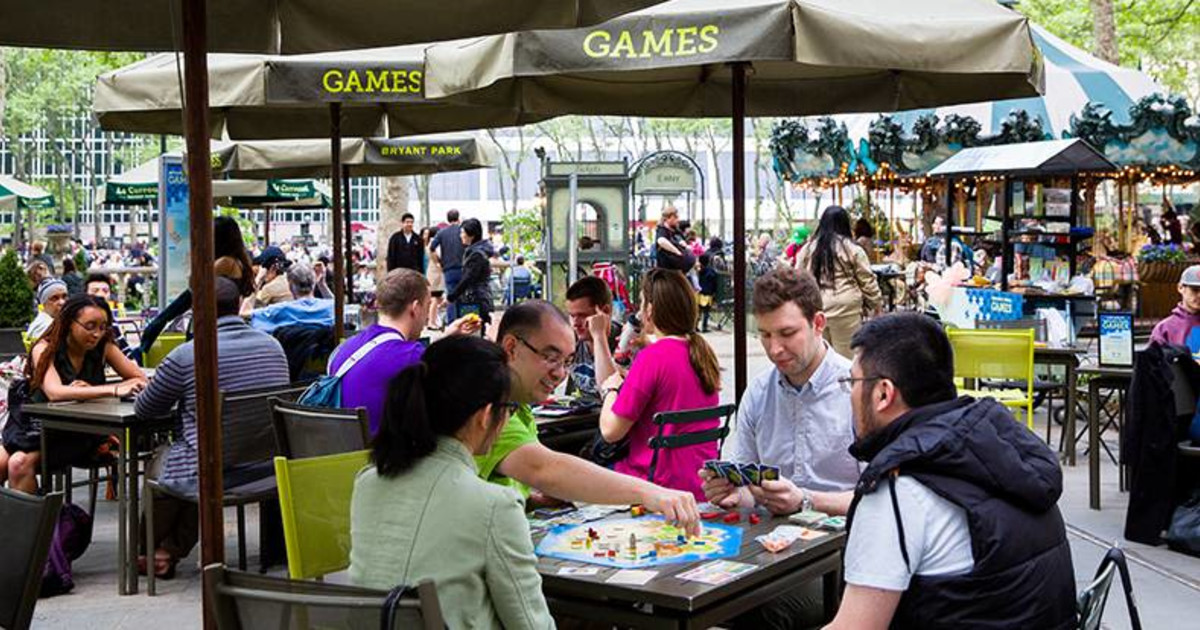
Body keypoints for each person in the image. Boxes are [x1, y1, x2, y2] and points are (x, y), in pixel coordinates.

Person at [825, 313, 1076, 629]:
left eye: (852, 382)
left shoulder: (898, 490)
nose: (849, 394)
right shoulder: (1004, 455)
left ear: (883, 393)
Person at [349, 335, 552, 629]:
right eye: (509, 409)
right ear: (485, 415)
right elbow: (532, 625)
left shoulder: (368, 483)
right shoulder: (495, 506)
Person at [477, 300, 702, 533]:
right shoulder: (488, 406)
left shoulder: (517, 402)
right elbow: (544, 469)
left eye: (567, 362)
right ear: (511, 348)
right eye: (551, 358)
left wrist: (531, 500)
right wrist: (650, 492)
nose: (561, 374)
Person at [134, 277, 290, 578]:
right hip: (263, 467)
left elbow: (145, 409)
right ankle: (167, 551)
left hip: (213, 467)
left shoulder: (187, 355)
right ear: (237, 306)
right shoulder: (274, 347)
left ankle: (145, 550)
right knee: (199, 452)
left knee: (166, 465)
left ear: (198, 311)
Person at [702, 267, 859, 511]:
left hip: (844, 542)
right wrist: (732, 494)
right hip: (773, 541)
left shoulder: (857, 390)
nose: (774, 349)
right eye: (765, 335)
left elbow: (881, 499)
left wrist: (805, 501)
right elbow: (748, 491)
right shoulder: (758, 393)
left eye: (787, 333)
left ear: (818, 324)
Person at [1, 295, 146, 493]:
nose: (97, 334)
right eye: (90, 326)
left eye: (103, 327)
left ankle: (37, 524)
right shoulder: (45, 347)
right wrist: (110, 390)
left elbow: (140, 379)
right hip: (34, 430)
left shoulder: (104, 347)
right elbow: (54, 392)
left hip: (80, 432)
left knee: (18, 463)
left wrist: (91, 391)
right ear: (69, 323)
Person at [597, 269, 721, 499]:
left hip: (654, 484)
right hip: (700, 486)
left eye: (642, 303)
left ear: (650, 310)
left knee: (584, 464)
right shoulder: (703, 353)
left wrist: (611, 389)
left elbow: (611, 432)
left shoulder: (653, 357)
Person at [330, 268, 479, 434]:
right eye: (428, 306)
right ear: (415, 308)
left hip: (342, 450)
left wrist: (445, 337)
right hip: (383, 454)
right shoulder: (411, 356)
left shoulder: (347, 347)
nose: (427, 318)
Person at [135, 217, 256, 362]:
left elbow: (195, 283)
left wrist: (199, 253)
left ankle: (143, 345)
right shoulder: (236, 261)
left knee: (166, 324)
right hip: (221, 318)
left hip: (211, 319)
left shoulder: (225, 262)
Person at [797, 206, 882, 358]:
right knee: (846, 357)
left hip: (817, 307)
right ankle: (845, 383)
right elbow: (867, 280)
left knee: (820, 359)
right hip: (846, 308)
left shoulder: (808, 249)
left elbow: (798, 278)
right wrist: (876, 304)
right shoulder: (852, 249)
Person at [564, 276, 621, 401]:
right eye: (572, 316)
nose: (575, 323)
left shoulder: (625, 344)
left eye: (582, 315)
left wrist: (599, 336)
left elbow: (610, 392)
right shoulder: (573, 341)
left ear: (605, 311)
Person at [249, 263, 334, 334]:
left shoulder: (279, 310)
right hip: (325, 353)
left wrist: (259, 279)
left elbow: (244, 313)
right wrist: (322, 285)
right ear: (314, 283)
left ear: (289, 285)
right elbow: (340, 307)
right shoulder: (330, 308)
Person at [446, 218, 493, 327]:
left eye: (462, 232)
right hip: (479, 297)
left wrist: (451, 297)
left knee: (474, 332)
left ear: (471, 235)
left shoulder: (476, 255)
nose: (460, 235)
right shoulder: (476, 251)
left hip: (476, 298)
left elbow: (468, 278)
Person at [1150, 263, 1200, 352]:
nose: (1199, 295)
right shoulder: (1164, 328)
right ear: (1180, 288)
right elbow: (1153, 363)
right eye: (1195, 290)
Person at [430, 210, 465, 321]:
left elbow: (431, 248)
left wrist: (438, 262)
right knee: (463, 296)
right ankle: (463, 320)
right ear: (458, 218)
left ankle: (451, 323)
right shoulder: (462, 231)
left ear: (448, 219)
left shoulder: (441, 233)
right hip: (463, 268)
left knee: (451, 297)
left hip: (448, 268)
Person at [423, 227, 447, 329]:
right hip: (435, 273)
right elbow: (437, 256)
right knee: (435, 299)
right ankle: (431, 322)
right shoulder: (434, 244)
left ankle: (432, 320)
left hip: (433, 272)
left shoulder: (430, 243)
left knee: (437, 298)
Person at [654, 207, 693, 271]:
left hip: (678, 269)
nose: (677, 220)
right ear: (667, 218)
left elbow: (683, 241)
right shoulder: (662, 230)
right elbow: (661, 241)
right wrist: (677, 252)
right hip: (666, 270)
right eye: (675, 217)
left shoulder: (675, 230)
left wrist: (683, 243)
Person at [697, 254, 718, 332]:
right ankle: (704, 327)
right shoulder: (712, 271)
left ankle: (695, 326)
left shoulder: (699, 271)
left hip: (700, 293)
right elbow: (715, 283)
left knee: (698, 311)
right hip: (708, 293)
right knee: (706, 311)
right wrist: (714, 292)